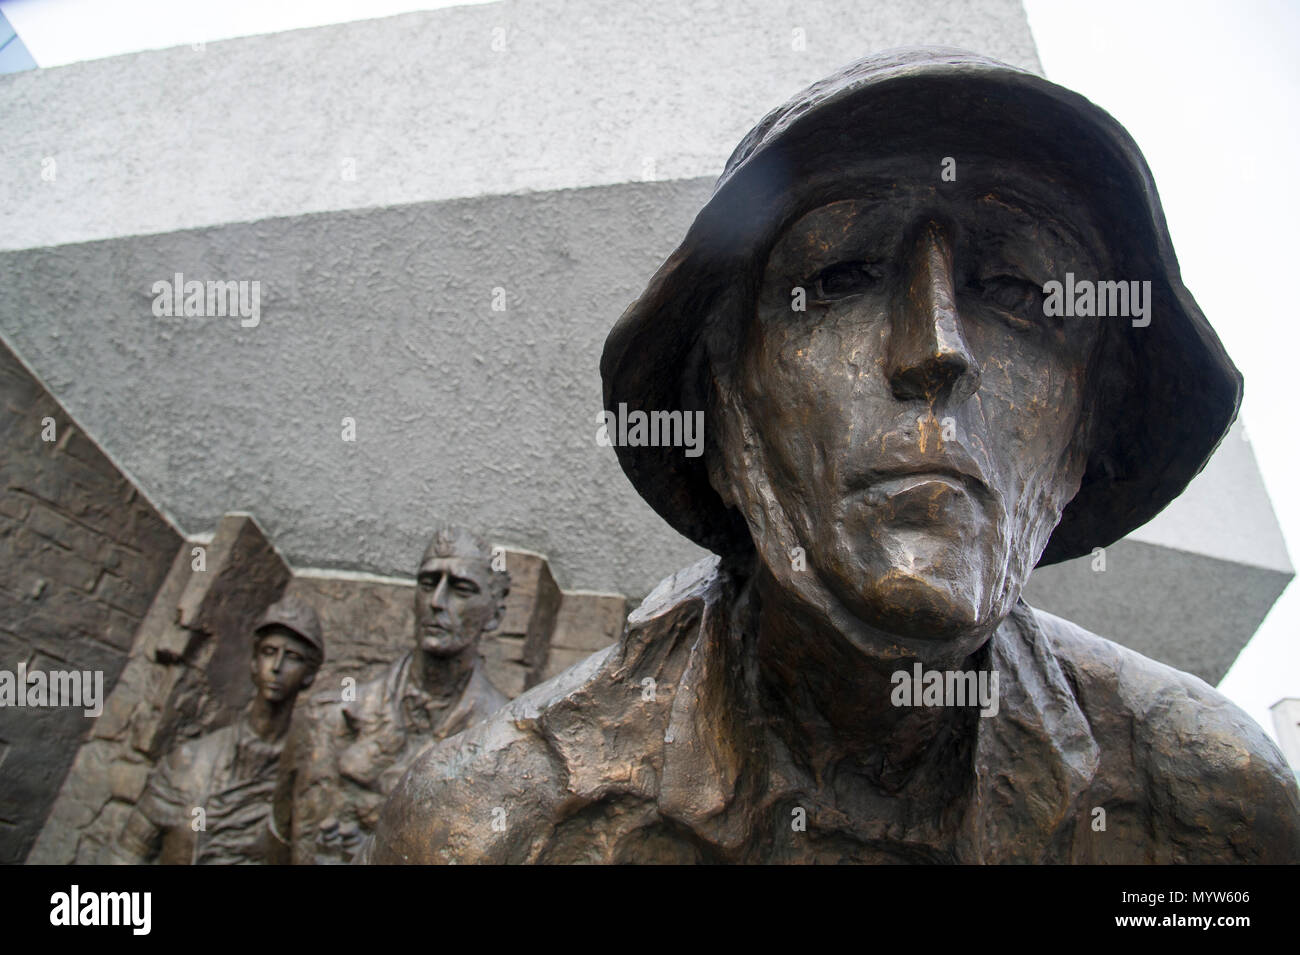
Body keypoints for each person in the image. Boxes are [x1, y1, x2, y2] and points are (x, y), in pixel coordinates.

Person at [364, 48, 1300, 864]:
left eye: (1017, 288)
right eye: (840, 275)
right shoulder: (497, 831)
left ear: (1087, 430)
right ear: (723, 405)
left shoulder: (1211, 807)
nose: (936, 349)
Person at [272, 526, 509, 863]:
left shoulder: (505, 742)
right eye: (427, 584)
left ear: (494, 615)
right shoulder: (327, 716)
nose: (436, 602)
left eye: (461, 589)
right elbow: (276, 844)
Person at [113, 594, 324, 864]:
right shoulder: (189, 762)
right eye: (269, 652)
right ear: (253, 662)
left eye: (292, 657)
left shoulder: (302, 778)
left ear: (310, 675)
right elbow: (126, 853)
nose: (277, 667)